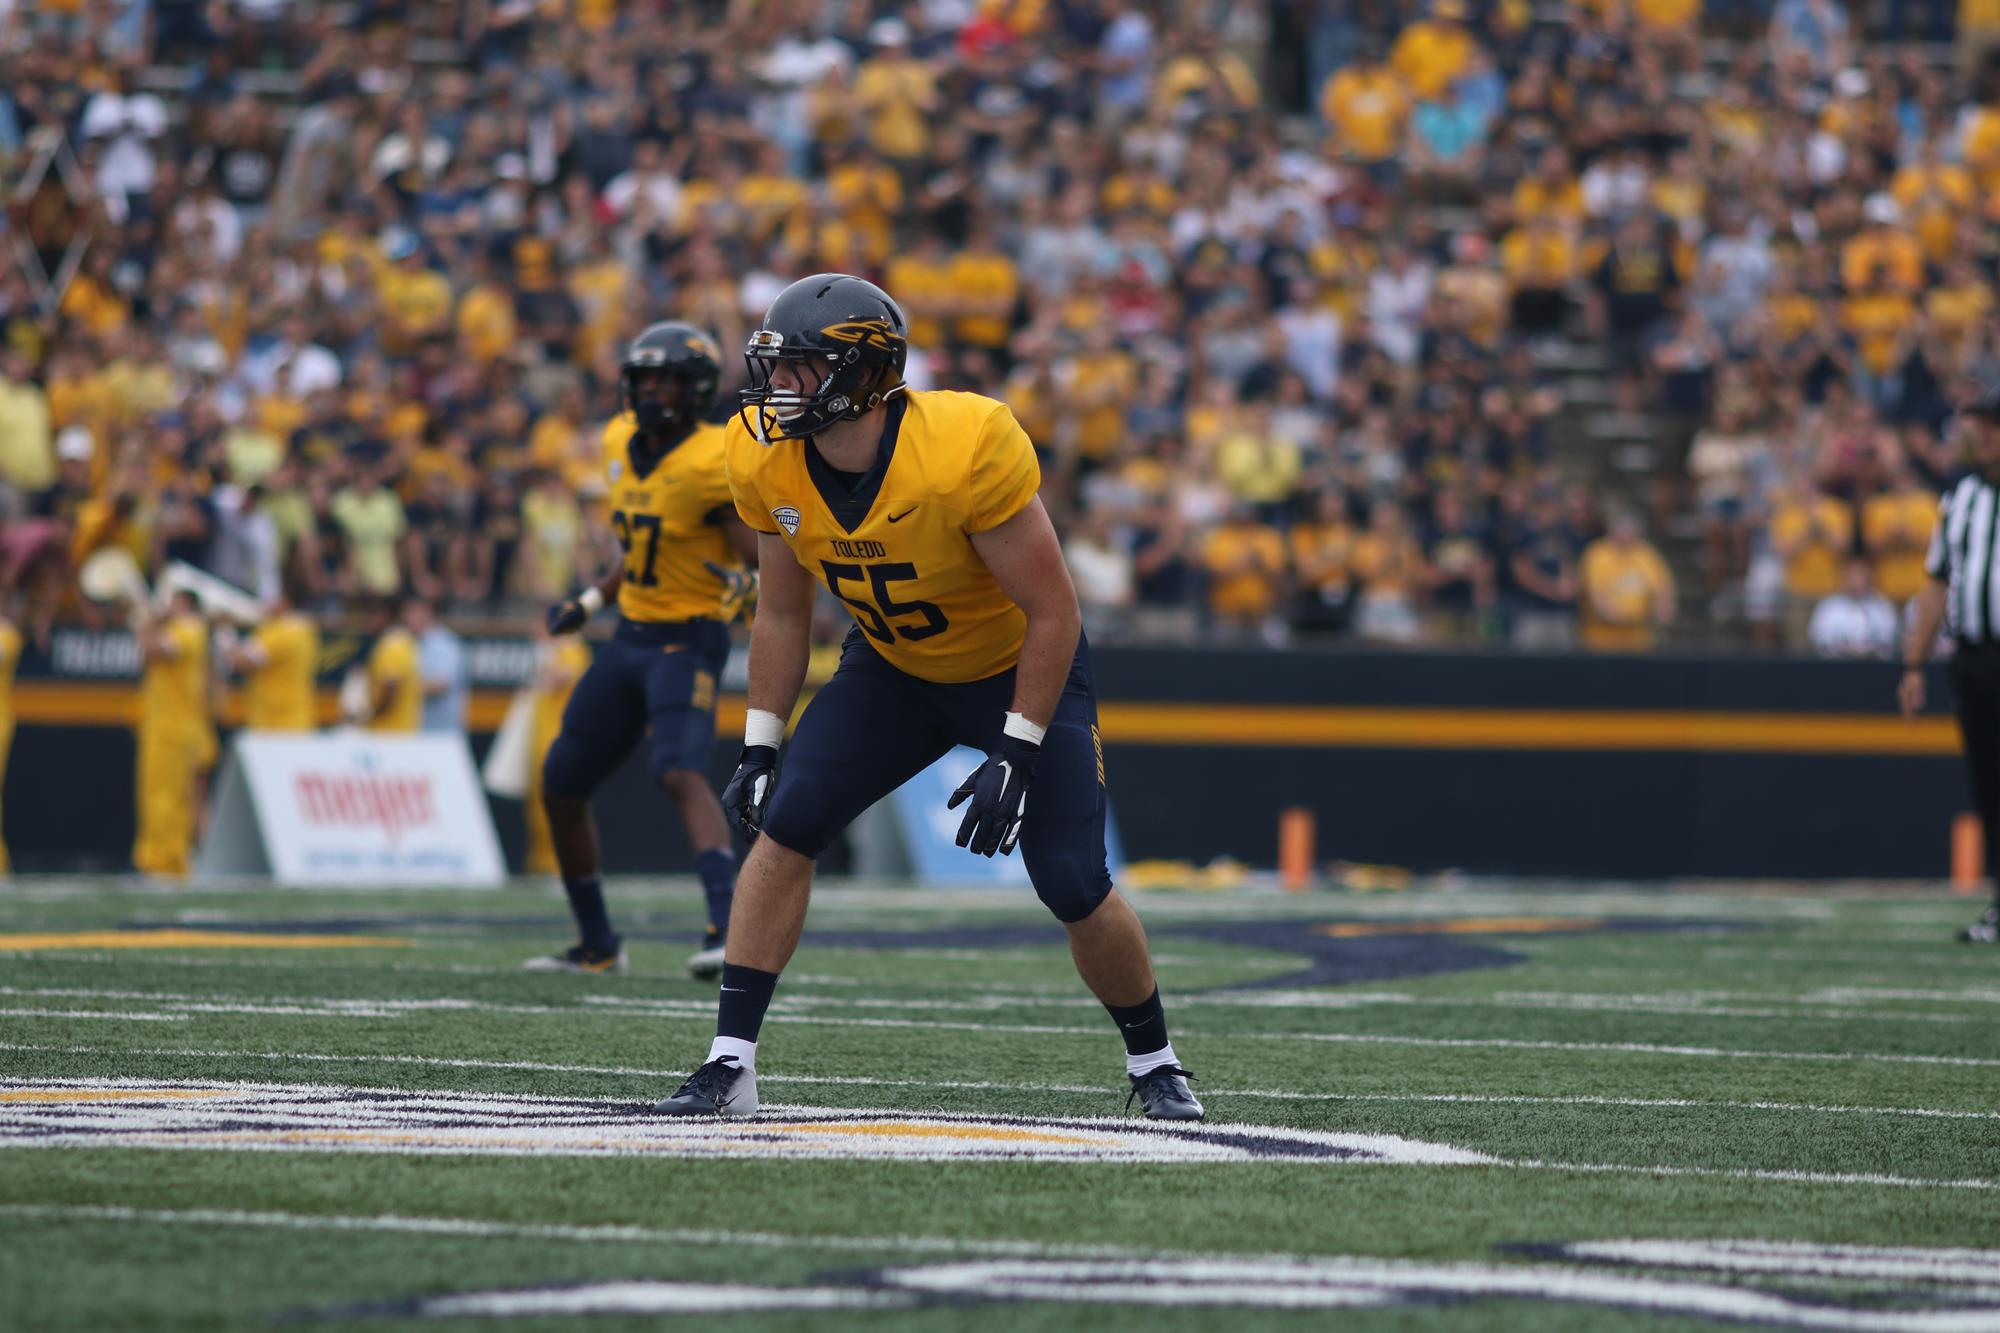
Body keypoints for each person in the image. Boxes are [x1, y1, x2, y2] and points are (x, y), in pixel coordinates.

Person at [656, 274, 1200, 1122]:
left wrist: (1017, 747)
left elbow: (1054, 611)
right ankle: (731, 1061)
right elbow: (781, 609)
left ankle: (1156, 1062)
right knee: (788, 819)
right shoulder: (760, 453)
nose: (777, 387)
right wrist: (760, 742)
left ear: (861, 374)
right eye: (776, 366)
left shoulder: (964, 441)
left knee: (1070, 878)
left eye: (800, 367)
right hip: (893, 668)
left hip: (1016, 667)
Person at [529, 323, 758, 980]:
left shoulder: (713, 456)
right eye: (646, 378)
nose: (654, 391)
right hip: (630, 633)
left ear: (697, 390)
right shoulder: (618, 445)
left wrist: (755, 583)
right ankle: (598, 943)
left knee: (679, 771)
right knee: (561, 782)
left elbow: (760, 555)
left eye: (669, 380)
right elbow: (640, 548)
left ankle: (728, 929)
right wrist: (590, 602)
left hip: (688, 635)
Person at [1900, 381, 2000, 943]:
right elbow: (1936, 584)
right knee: (1988, 785)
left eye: (1993, 423)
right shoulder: (1960, 495)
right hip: (1975, 660)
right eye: (1979, 422)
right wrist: (1912, 665)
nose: (1982, 433)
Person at [132, 589, 216, 877]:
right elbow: (146, 655)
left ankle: (163, 860)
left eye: (175, 601)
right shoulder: (178, 630)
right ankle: (170, 860)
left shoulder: (189, 629)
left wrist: (146, 623)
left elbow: (155, 648)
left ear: (188, 604)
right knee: (166, 796)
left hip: (174, 730)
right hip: (166, 727)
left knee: (164, 797)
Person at [224, 586, 319, 731]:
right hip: (297, 718)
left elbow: (239, 663)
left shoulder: (280, 633)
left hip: (275, 722)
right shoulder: (306, 630)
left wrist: (225, 633)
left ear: (285, 602)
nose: (266, 605)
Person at [1809, 557, 1899, 658]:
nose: (1857, 580)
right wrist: (1844, 648)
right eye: (1852, 575)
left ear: (1870, 576)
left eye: (1861, 575)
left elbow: (1889, 640)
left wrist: (1866, 649)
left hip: (1874, 665)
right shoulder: (1827, 606)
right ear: (1843, 577)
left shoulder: (1883, 605)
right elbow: (1819, 640)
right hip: (1835, 666)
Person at [360, 598, 421, 732]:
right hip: (400, 731)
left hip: (390, 732)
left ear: (383, 616)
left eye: (370, 615)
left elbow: (391, 687)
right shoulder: (403, 641)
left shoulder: (393, 645)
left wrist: (370, 715)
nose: (366, 621)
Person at [410, 599, 467, 733]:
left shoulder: (445, 644)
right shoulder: (411, 642)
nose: (409, 618)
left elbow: (441, 684)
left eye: (414, 612)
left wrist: (404, 690)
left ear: (428, 613)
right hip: (420, 732)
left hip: (443, 732)